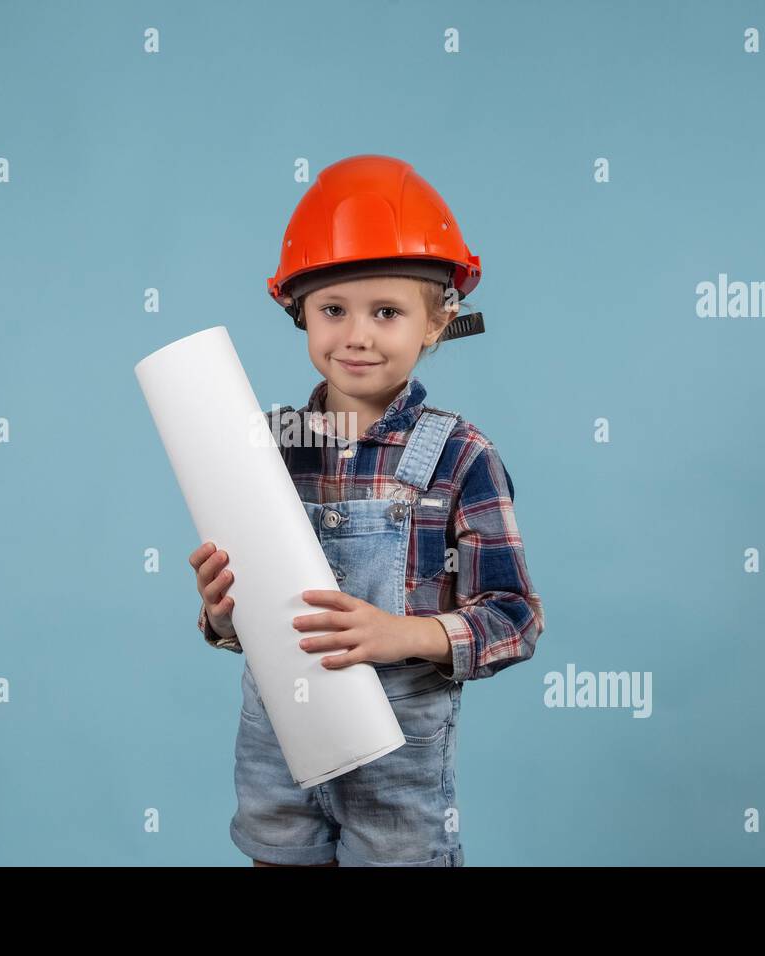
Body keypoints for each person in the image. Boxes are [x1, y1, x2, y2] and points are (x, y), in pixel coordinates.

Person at [188, 154, 546, 867]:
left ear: (438, 322)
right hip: (277, 744)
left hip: (397, 757)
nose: (356, 335)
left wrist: (403, 635)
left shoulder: (461, 456)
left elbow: (514, 618)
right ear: (299, 313)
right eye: (333, 309)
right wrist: (223, 615)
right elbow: (247, 622)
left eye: (386, 311)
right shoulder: (266, 447)